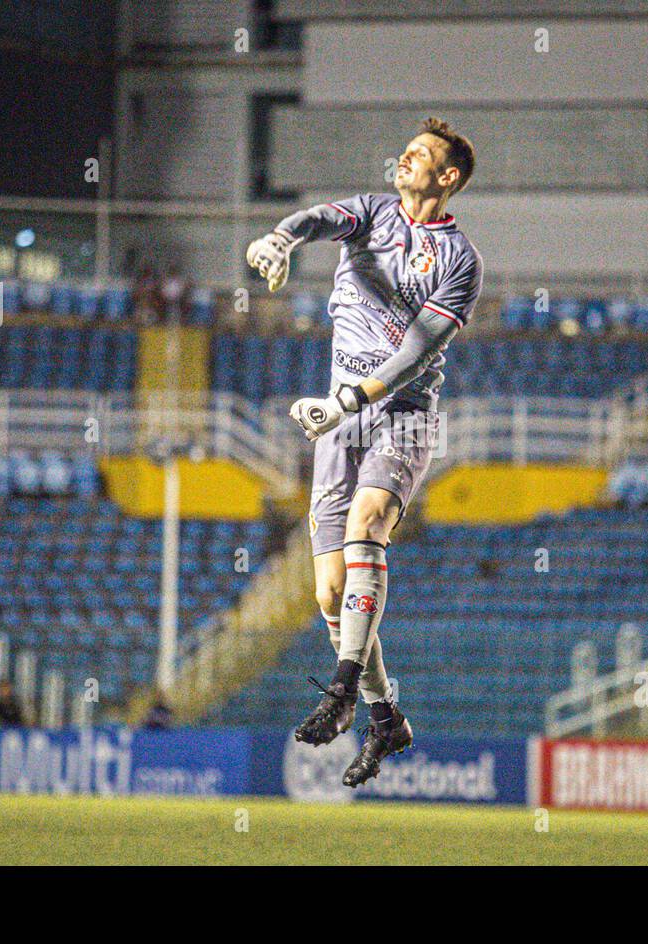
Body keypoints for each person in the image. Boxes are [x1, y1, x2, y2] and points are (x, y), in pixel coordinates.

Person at [245, 117, 481, 787]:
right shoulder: (372, 213)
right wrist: (281, 237)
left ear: (448, 177)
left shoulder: (461, 261)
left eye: (418, 156)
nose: (402, 161)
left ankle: (344, 688)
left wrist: (347, 402)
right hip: (338, 421)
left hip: (398, 415)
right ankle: (386, 721)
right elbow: (321, 218)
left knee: (368, 523)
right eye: (404, 152)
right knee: (329, 591)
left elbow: (415, 355)